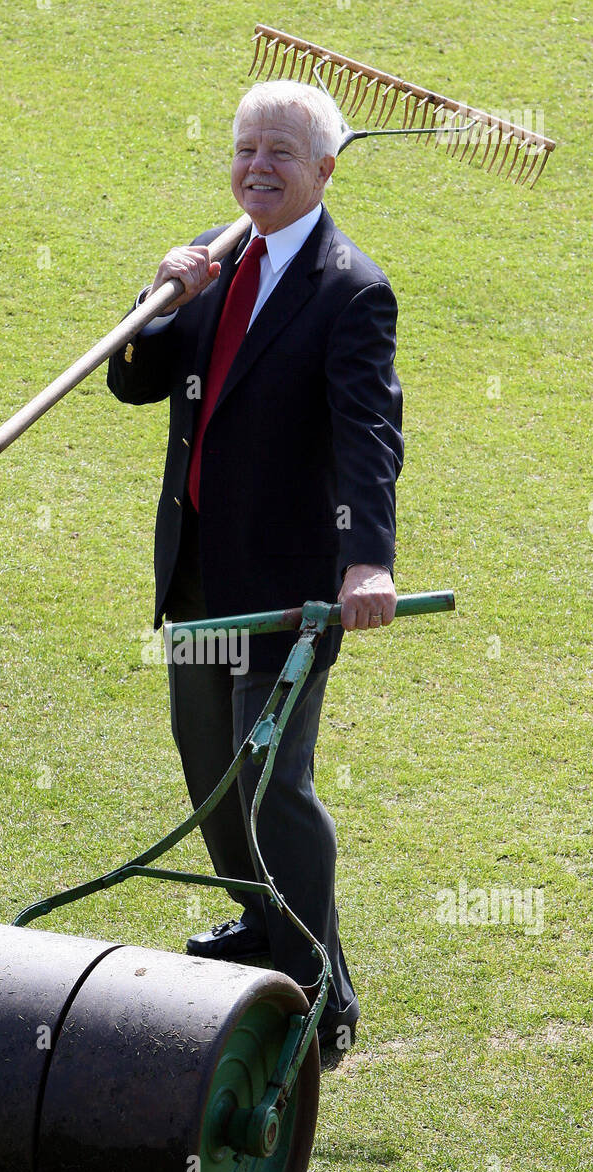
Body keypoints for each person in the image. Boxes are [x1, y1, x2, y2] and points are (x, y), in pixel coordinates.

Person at [107, 80, 403, 1049]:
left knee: (272, 782)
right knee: (211, 775)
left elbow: (368, 437)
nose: (257, 167)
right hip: (196, 575)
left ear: (325, 169)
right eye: (244, 149)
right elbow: (134, 382)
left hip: (287, 588)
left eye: (281, 152)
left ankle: (319, 1000)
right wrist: (155, 300)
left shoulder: (350, 289)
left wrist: (366, 563)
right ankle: (262, 931)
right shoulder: (215, 257)